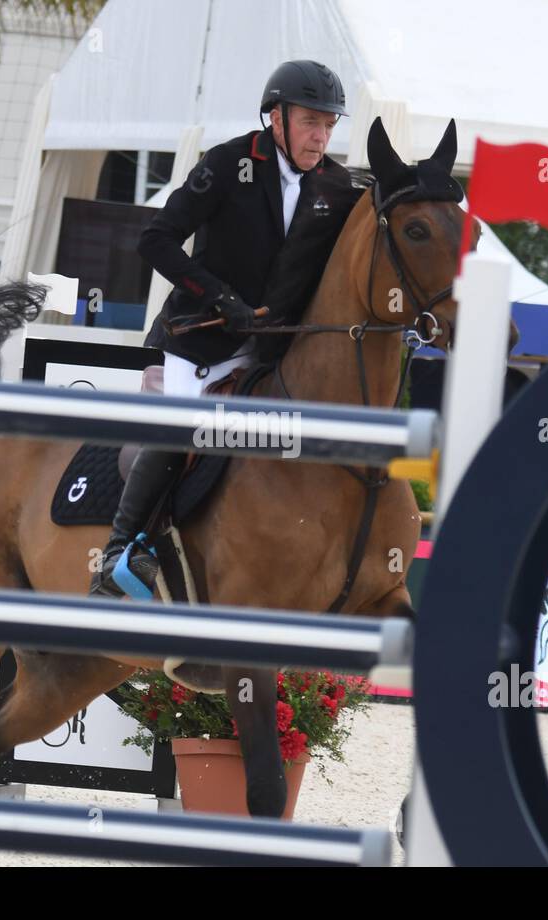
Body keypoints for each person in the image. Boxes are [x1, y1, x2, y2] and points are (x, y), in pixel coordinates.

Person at [90, 59, 362, 598]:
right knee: (184, 428)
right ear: (275, 118)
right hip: (201, 340)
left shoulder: (336, 185)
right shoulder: (229, 162)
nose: (322, 135)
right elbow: (157, 239)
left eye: (330, 124)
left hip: (271, 355)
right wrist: (222, 298)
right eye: (311, 121)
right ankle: (120, 551)